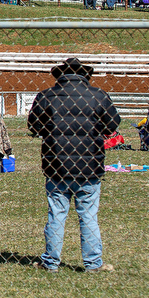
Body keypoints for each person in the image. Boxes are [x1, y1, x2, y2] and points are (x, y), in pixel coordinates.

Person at [28, 58, 120, 273]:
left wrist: (51, 129)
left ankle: (51, 262)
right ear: (85, 75)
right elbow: (112, 125)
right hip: (89, 166)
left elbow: (34, 126)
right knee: (88, 216)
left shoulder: (46, 96)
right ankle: (93, 263)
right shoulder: (98, 96)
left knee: (56, 214)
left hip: (56, 165)